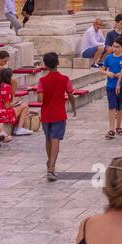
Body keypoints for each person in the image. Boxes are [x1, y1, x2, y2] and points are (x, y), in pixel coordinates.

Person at [34, 51, 74, 182]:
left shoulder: (42, 80)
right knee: (56, 139)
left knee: (48, 138)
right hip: (59, 113)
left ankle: (50, 163)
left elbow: (40, 100)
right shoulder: (65, 79)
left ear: (45, 65)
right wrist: (73, 108)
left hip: (46, 114)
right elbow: (70, 94)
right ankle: (51, 167)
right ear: (58, 63)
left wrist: (40, 93)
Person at [101, 37, 122, 140]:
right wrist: (108, 73)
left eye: (118, 47)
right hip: (111, 85)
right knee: (111, 107)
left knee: (120, 107)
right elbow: (102, 70)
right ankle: (111, 129)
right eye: (114, 46)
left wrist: (121, 74)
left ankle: (118, 126)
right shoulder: (109, 57)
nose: (115, 48)